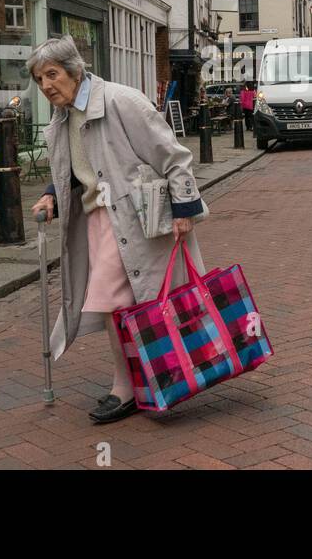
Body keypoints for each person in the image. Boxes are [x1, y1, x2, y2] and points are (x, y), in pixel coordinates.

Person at [29, 35, 205, 425]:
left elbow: (173, 155)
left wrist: (185, 208)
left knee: (120, 302)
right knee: (123, 304)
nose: (46, 86)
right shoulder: (63, 118)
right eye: (40, 79)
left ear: (75, 71)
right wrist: (51, 196)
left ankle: (127, 386)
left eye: (52, 74)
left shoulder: (121, 101)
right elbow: (77, 167)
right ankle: (150, 375)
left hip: (137, 218)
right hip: (99, 219)